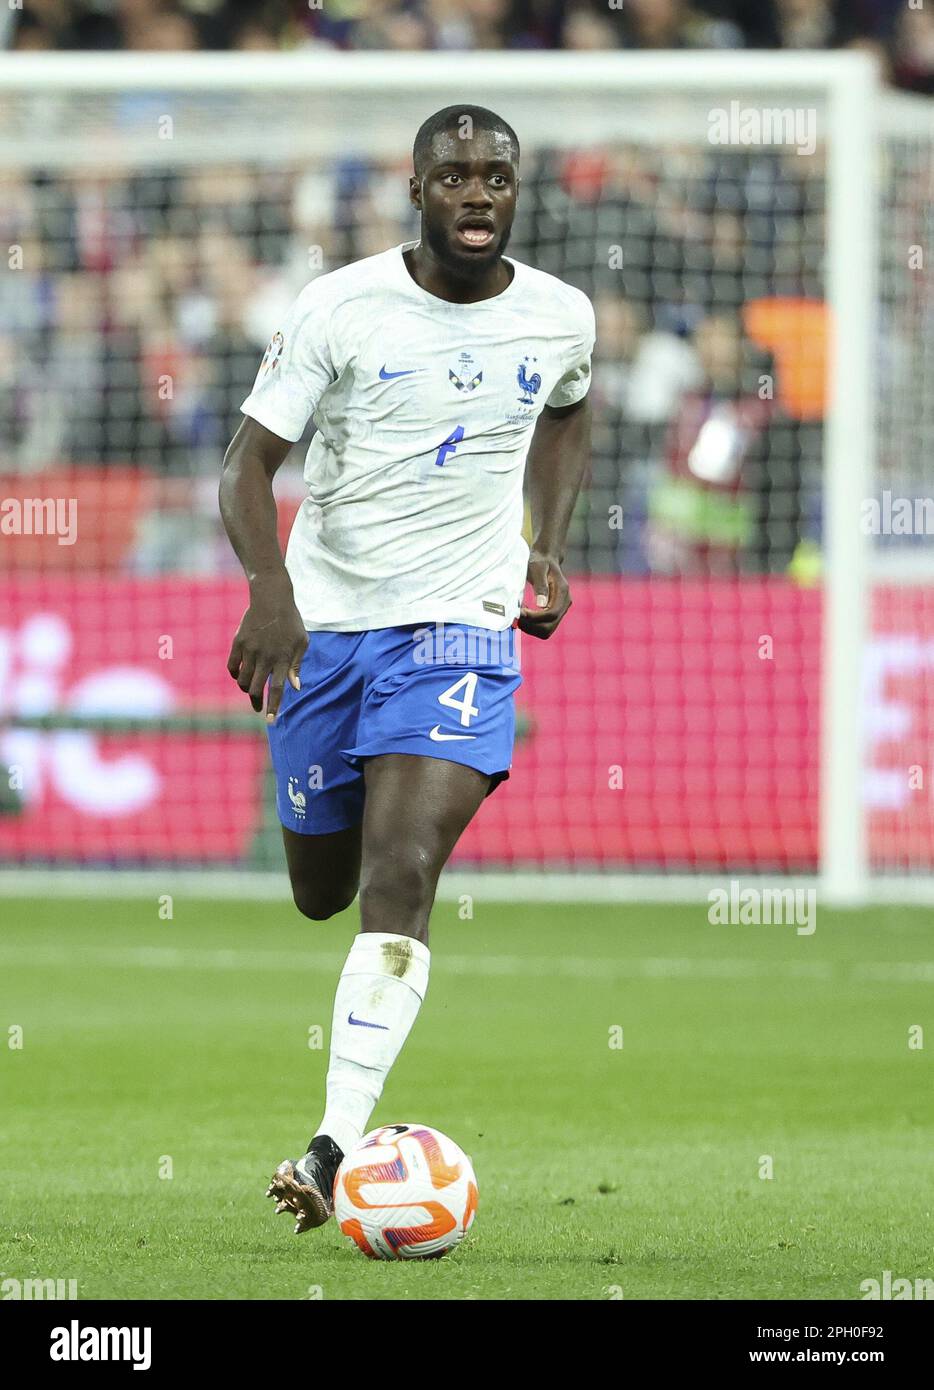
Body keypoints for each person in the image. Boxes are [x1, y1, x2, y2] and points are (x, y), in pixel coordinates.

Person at [219, 104, 594, 1234]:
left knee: (401, 872)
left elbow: (570, 412)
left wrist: (546, 546)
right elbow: (245, 470)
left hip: (461, 629)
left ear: (517, 191)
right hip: (329, 628)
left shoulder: (561, 315)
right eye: (454, 177)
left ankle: (334, 1143)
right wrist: (270, 595)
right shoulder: (339, 306)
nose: (477, 195)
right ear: (416, 190)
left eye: (496, 178)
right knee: (320, 890)